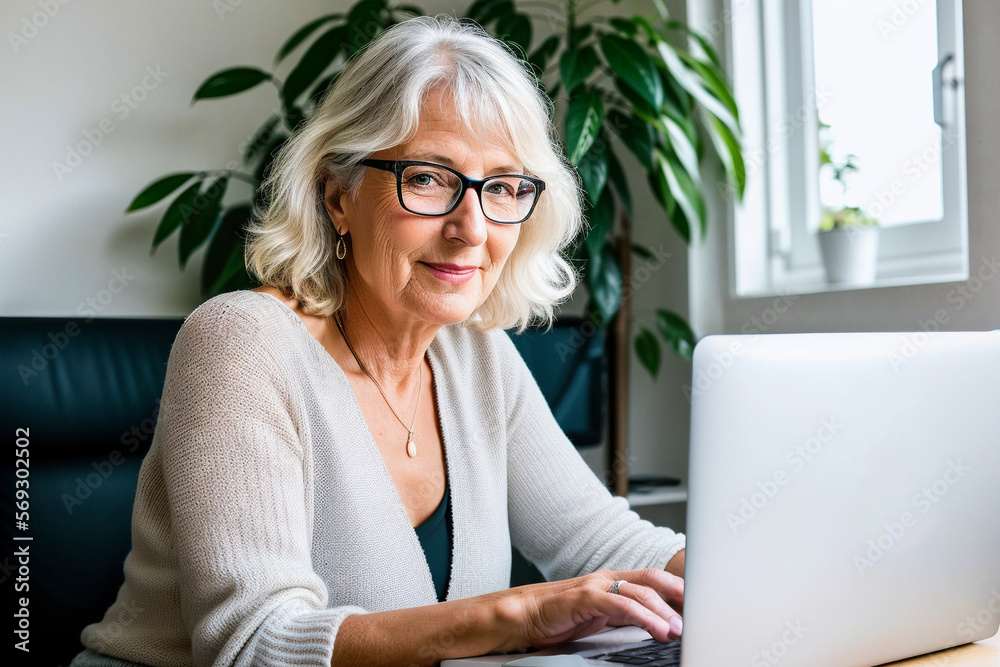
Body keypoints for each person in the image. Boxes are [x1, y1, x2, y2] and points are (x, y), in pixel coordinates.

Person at [71, 14, 685, 667]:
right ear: (339, 195)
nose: (471, 229)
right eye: (427, 178)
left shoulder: (473, 350)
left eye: (503, 186)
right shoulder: (241, 341)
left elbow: (601, 540)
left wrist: (760, 568)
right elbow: (252, 643)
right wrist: (520, 614)